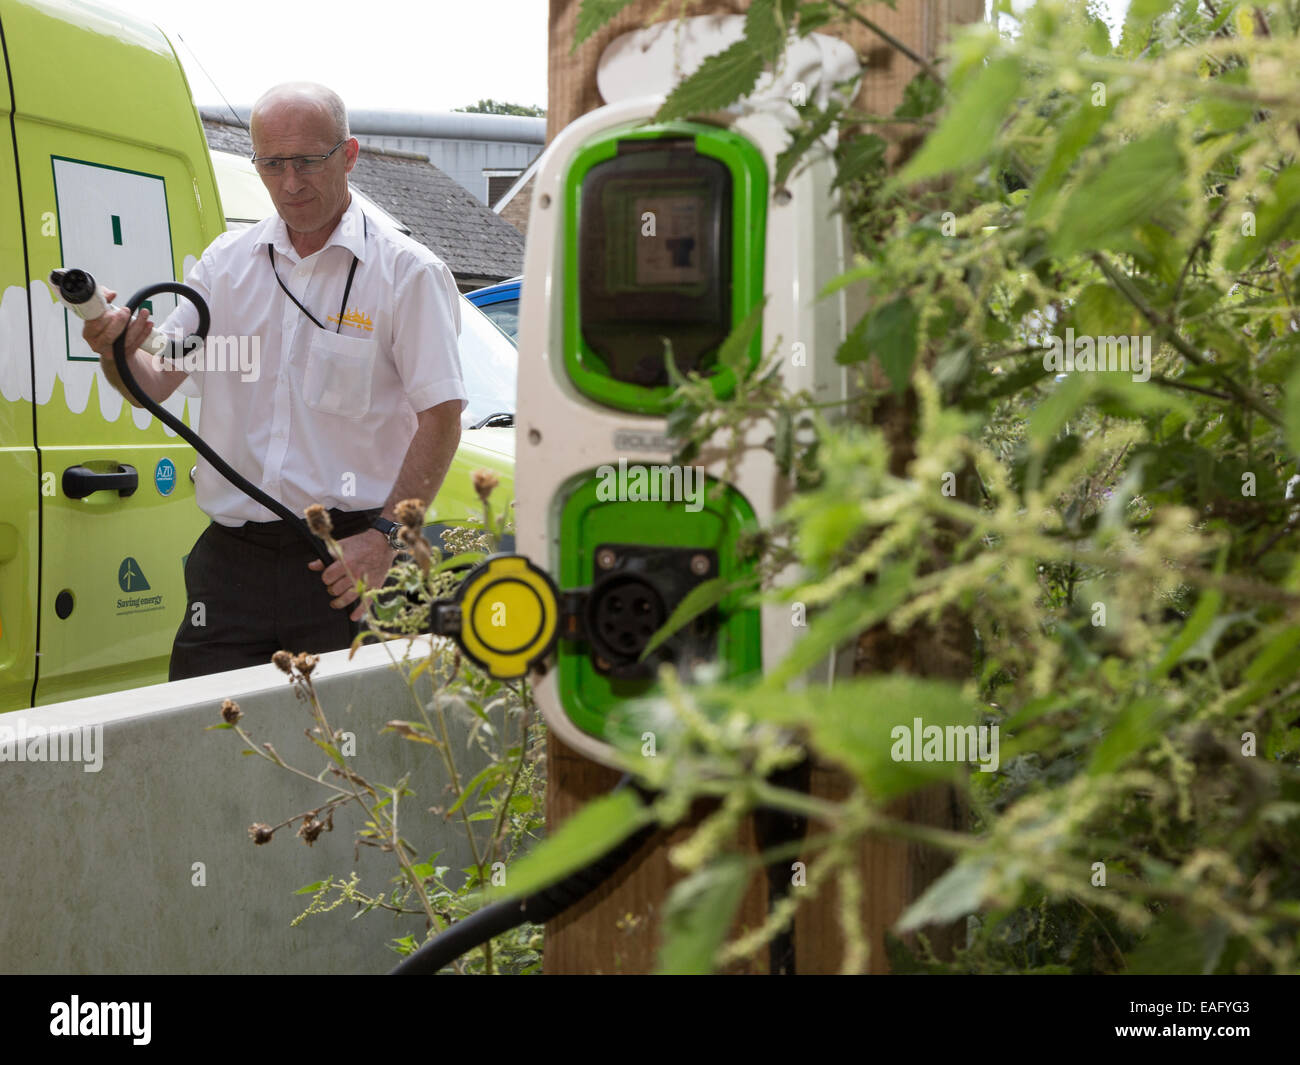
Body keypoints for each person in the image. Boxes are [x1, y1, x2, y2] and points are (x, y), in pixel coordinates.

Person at [82, 82, 465, 680]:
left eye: (309, 161)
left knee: (340, 759)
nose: (290, 182)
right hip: (232, 563)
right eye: (272, 163)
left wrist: (386, 536)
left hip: (346, 559)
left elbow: (441, 416)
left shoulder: (406, 274)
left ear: (349, 154)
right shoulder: (226, 265)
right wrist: (115, 351)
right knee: (205, 741)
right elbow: (154, 382)